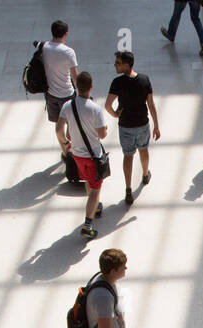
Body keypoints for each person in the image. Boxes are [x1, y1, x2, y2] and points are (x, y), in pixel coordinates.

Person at [58, 72, 109, 240]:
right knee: (95, 189)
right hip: (93, 155)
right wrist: (104, 129)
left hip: (77, 154)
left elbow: (58, 129)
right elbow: (102, 135)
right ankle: (88, 224)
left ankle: (95, 206)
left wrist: (65, 143)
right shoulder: (95, 108)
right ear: (91, 87)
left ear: (76, 86)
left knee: (88, 179)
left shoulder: (68, 106)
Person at [104, 52, 159, 208]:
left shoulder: (117, 82)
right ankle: (145, 174)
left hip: (125, 125)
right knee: (143, 150)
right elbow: (151, 104)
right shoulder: (144, 79)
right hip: (142, 123)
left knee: (128, 156)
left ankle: (128, 189)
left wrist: (115, 114)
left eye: (118, 63)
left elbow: (108, 105)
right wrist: (156, 125)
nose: (115, 65)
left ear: (126, 65)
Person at [41, 19, 80, 148]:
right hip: (67, 94)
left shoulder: (45, 47)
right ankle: (71, 150)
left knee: (59, 126)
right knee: (71, 124)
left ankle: (64, 151)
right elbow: (75, 77)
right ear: (66, 34)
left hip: (51, 95)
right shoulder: (68, 52)